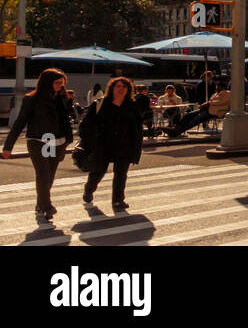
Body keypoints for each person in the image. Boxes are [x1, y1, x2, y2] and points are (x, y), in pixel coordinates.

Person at [1, 68, 74, 223]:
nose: (60, 86)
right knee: (43, 175)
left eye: (62, 83)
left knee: (50, 177)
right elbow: (20, 122)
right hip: (38, 142)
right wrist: (8, 146)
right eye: (57, 83)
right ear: (47, 83)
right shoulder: (31, 99)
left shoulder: (60, 98)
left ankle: (41, 203)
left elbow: (65, 121)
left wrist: (68, 140)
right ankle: (46, 207)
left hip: (57, 142)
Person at [78, 76, 145, 212]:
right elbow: (85, 125)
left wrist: (136, 147)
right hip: (103, 145)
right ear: (112, 88)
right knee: (98, 171)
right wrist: (90, 141)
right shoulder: (100, 103)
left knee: (121, 174)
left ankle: (118, 200)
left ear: (128, 90)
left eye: (124, 87)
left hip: (124, 145)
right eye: (118, 86)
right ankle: (89, 190)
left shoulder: (131, 106)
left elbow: (137, 128)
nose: (121, 89)